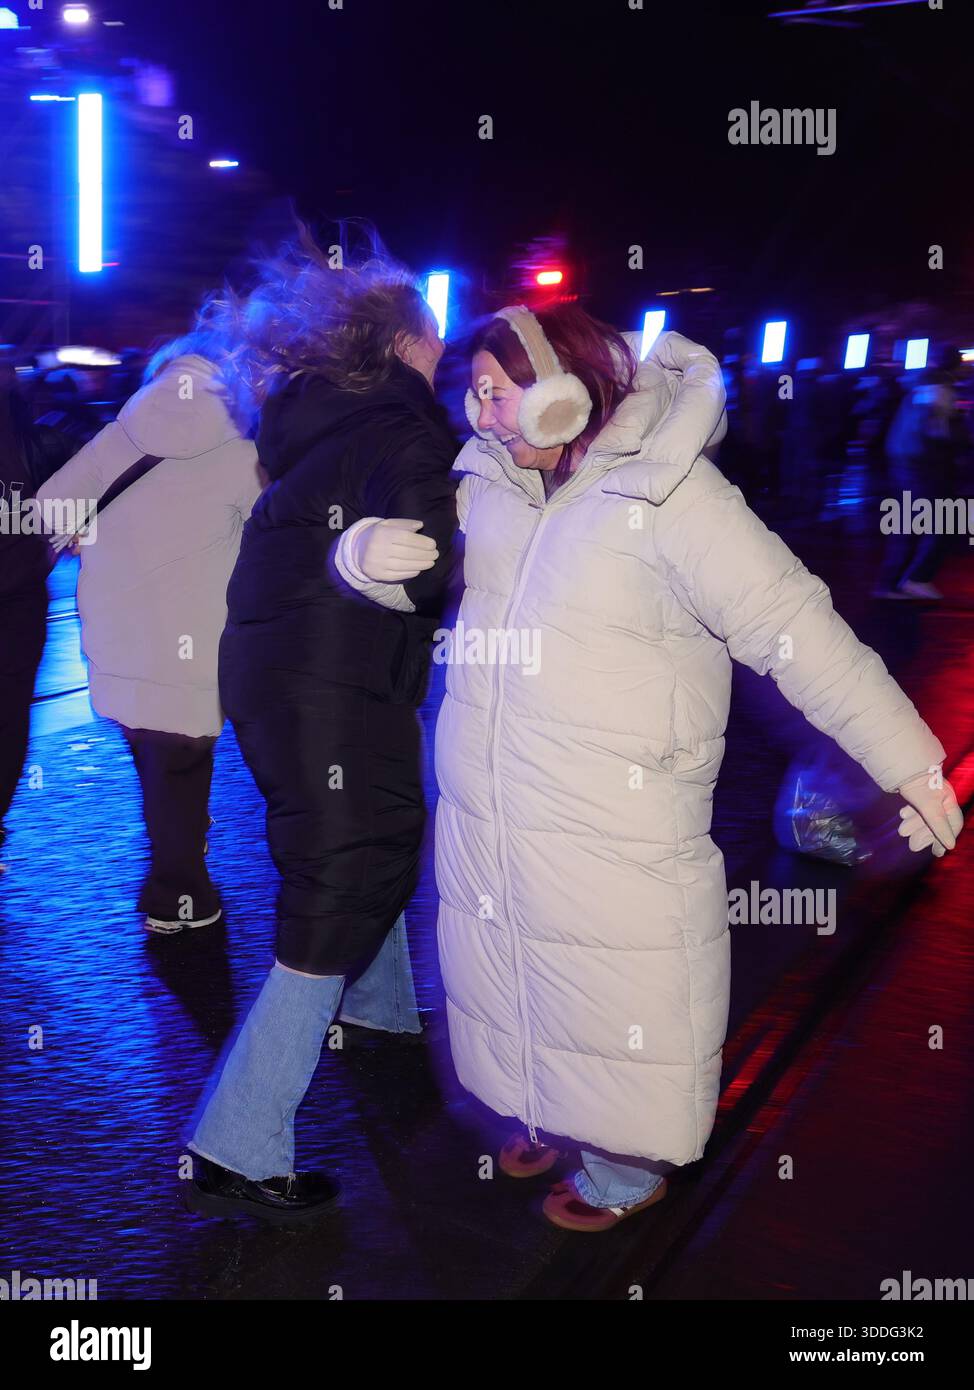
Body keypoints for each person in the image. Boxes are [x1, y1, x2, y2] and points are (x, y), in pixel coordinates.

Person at [348, 302, 963, 1233]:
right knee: (514, 967)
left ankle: (625, 1166)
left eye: (500, 394)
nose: (482, 416)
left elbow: (795, 629)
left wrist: (912, 763)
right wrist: (361, 557)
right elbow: (419, 576)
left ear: (565, 393)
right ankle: (551, 1109)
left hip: (612, 814)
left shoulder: (670, 496)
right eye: (472, 395)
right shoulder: (491, 488)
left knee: (611, 989)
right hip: (497, 808)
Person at [185, 243, 458, 1225]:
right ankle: (237, 1142)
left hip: (277, 680)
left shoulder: (311, 416)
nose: (445, 350)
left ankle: (377, 1008)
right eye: (434, 335)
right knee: (346, 868)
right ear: (401, 342)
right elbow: (425, 559)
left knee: (372, 841)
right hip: (331, 682)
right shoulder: (398, 423)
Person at [36, 308, 264, 931]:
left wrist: (88, 530)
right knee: (184, 764)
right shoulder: (246, 451)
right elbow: (270, 544)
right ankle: (178, 893)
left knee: (158, 758)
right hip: (197, 640)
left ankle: (179, 860)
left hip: (119, 633)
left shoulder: (118, 435)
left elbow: (48, 512)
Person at [0, 357, 75, 870]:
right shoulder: (31, 439)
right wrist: (52, 545)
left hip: (22, 593)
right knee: (9, 715)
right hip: (19, 596)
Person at [875, 346, 967, 600]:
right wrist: (959, 428)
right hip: (922, 466)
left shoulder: (919, 382)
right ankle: (915, 579)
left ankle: (892, 583)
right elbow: (936, 430)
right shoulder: (938, 385)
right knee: (944, 523)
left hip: (904, 461)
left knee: (908, 524)